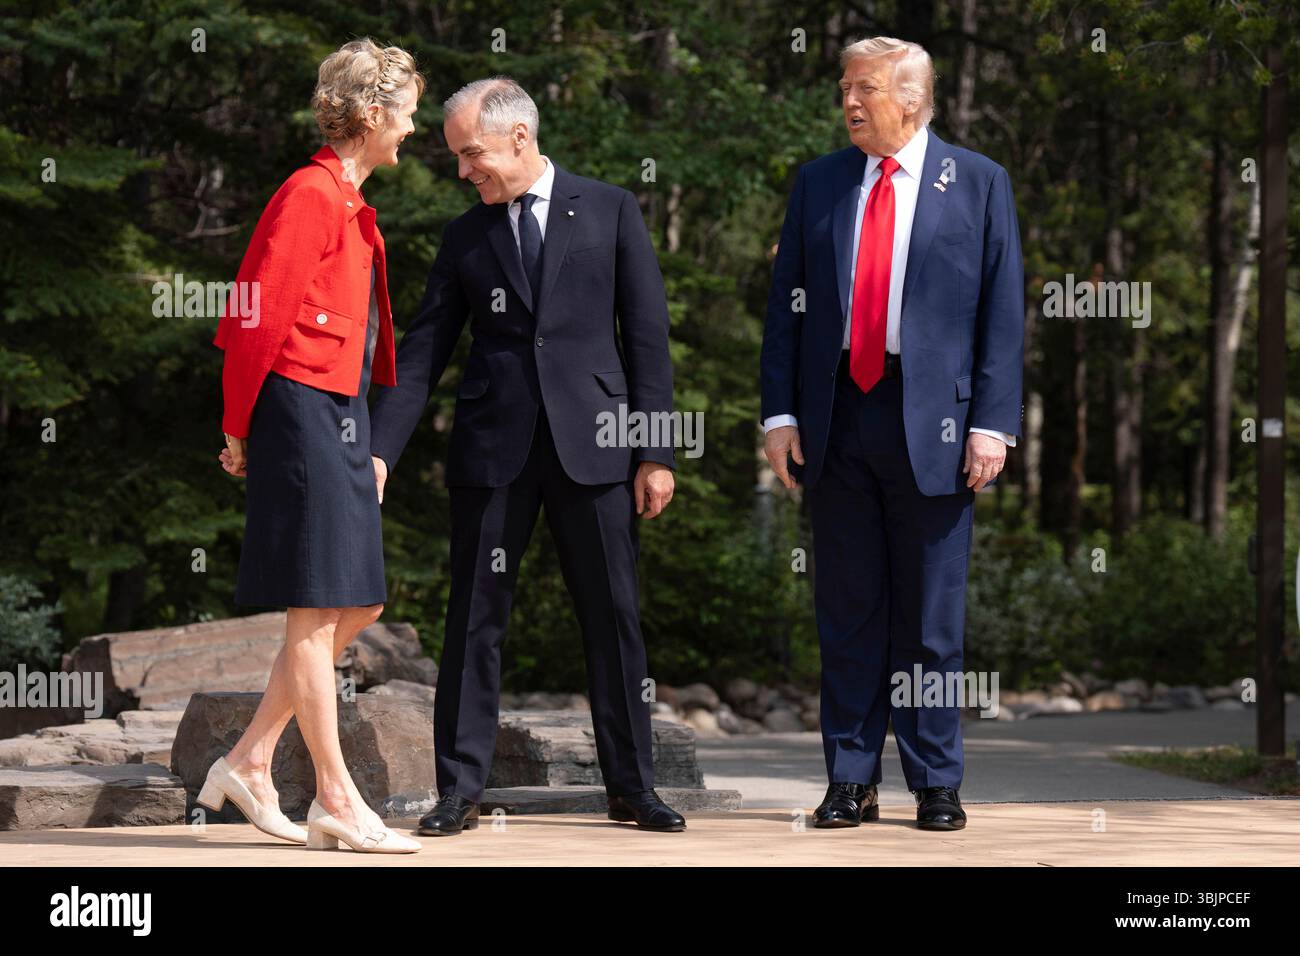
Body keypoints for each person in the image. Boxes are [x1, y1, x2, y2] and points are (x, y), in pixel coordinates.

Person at [369, 76, 685, 835]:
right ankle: (460, 791)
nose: (462, 169)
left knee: (613, 619)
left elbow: (647, 337)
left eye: (470, 153)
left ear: (519, 137)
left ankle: (633, 787)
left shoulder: (610, 208)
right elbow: (421, 357)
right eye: (454, 157)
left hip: (599, 450)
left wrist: (656, 451)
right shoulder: (464, 236)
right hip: (493, 454)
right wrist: (377, 451)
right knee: (474, 622)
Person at [760, 36, 1024, 831]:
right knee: (847, 613)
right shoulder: (819, 183)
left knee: (931, 621)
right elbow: (786, 306)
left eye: (863, 88)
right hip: (837, 416)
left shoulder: (977, 182)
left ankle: (936, 781)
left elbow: (1002, 316)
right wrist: (779, 415)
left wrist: (992, 425)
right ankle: (851, 781)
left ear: (909, 100)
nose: (848, 101)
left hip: (936, 423)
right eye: (844, 86)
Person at [203, 38, 424, 853]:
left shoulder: (348, 201)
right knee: (315, 601)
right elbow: (257, 312)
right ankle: (335, 794)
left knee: (358, 600)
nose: (411, 128)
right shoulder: (309, 193)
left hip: (339, 412)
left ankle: (251, 761)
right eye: (404, 113)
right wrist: (238, 424)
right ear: (372, 114)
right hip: (297, 408)